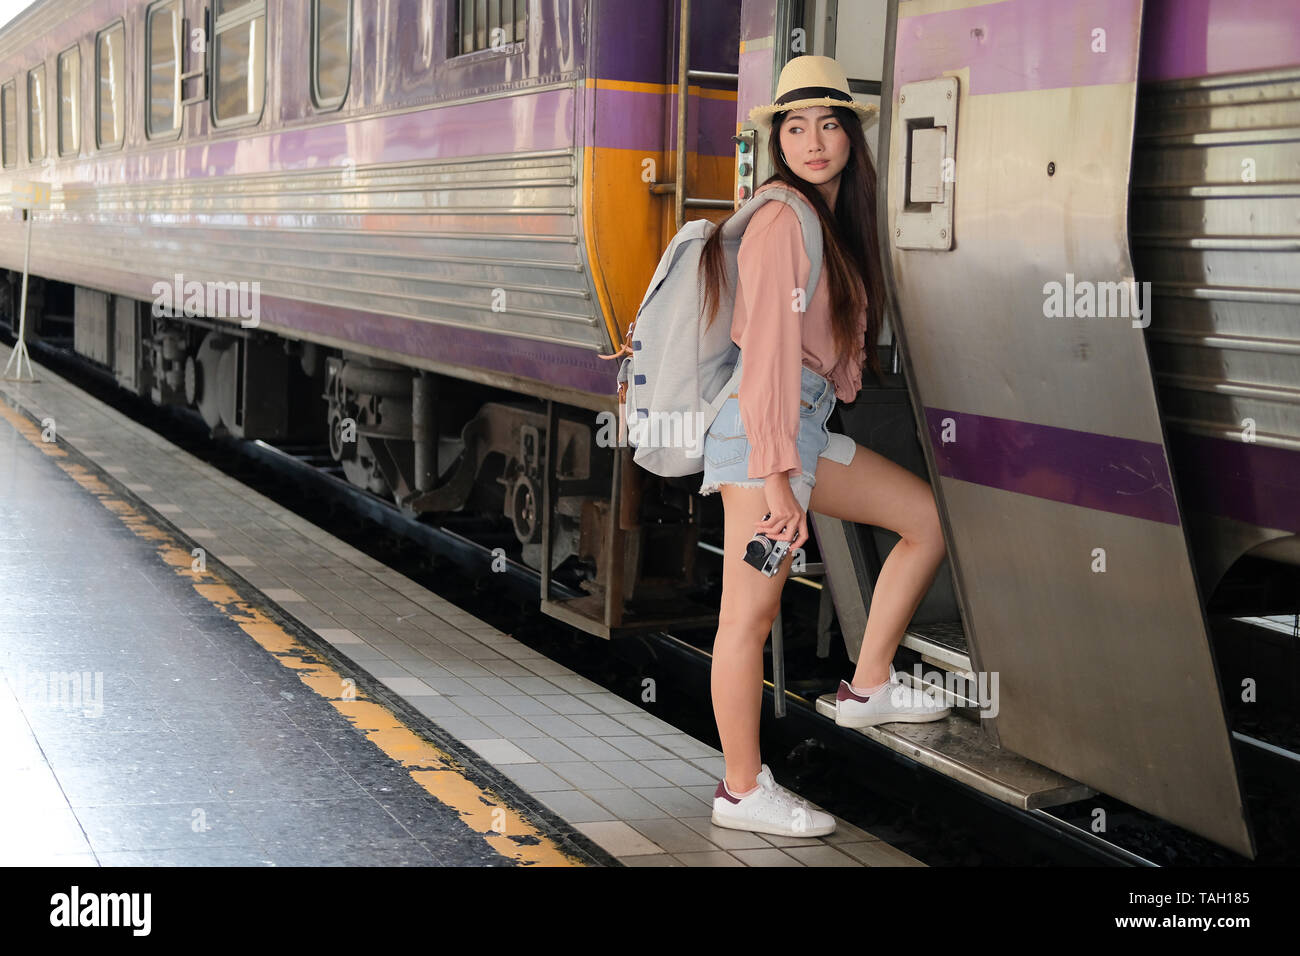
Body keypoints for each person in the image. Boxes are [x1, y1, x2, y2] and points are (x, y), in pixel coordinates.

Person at [697, 56, 951, 839]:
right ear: (779, 139)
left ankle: (867, 685)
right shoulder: (782, 219)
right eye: (796, 127)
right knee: (750, 613)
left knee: (924, 519)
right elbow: (767, 355)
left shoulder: (830, 219)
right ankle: (742, 791)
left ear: (850, 136)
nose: (814, 141)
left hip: (801, 434)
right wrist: (778, 481)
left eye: (830, 124)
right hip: (759, 442)